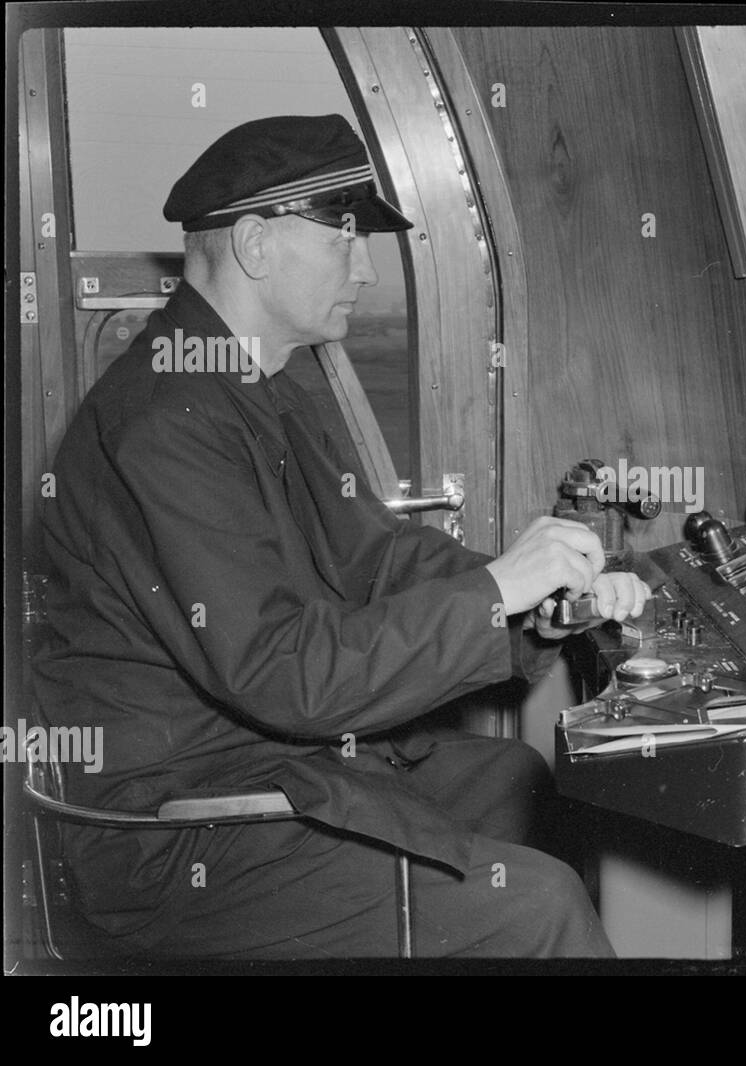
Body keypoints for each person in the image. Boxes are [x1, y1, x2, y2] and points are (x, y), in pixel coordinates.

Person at [34, 114, 648, 959]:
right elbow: (284, 673)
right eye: (345, 238)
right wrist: (498, 587)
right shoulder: (162, 422)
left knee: (519, 782)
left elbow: (376, 559)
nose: (364, 269)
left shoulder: (261, 383)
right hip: (179, 827)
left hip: (270, 765)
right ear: (255, 243)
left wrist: (541, 600)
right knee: (537, 907)